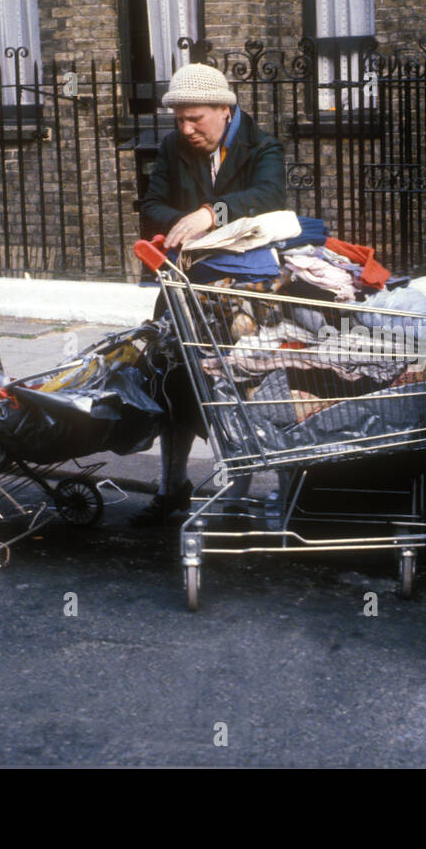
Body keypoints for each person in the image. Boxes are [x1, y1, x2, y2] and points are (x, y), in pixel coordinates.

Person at [130, 63, 287, 527]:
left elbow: (269, 195)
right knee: (173, 383)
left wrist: (210, 213)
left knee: (248, 386)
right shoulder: (171, 147)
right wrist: (191, 223)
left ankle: (259, 487)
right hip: (185, 288)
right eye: (179, 119)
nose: (186, 128)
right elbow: (152, 207)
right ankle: (171, 487)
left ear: (225, 108)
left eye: (195, 118)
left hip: (246, 293)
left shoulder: (262, 145)